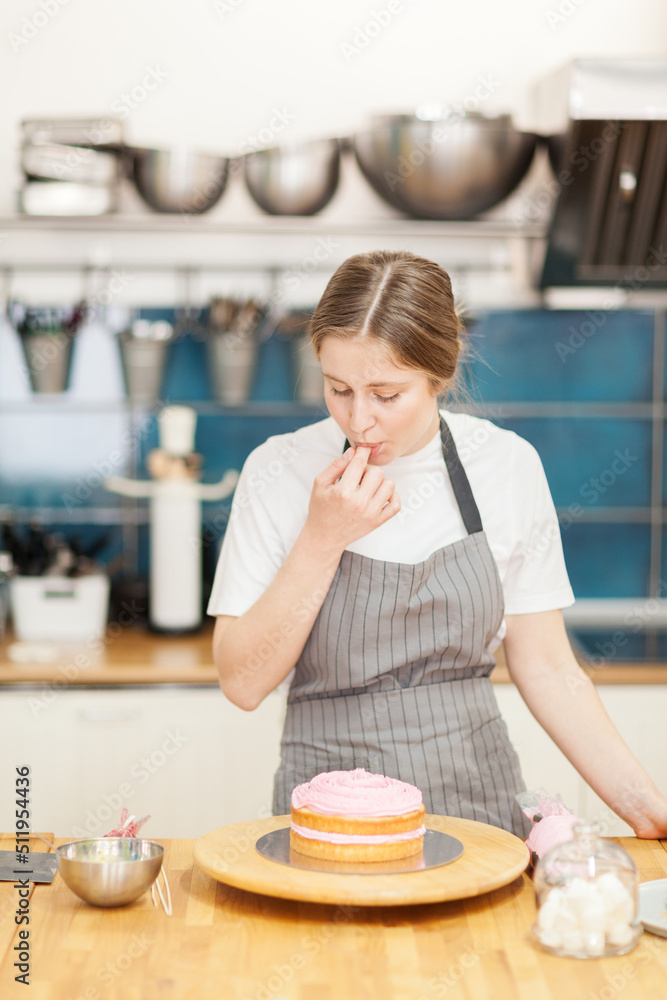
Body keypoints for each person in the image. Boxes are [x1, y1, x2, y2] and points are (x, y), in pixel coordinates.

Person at [208, 249, 667, 838]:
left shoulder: (506, 465)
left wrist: (648, 809)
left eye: (387, 393)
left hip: (478, 811)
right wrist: (322, 538)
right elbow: (241, 682)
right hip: (331, 824)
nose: (359, 420)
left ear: (440, 375)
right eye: (338, 388)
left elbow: (550, 669)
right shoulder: (277, 469)